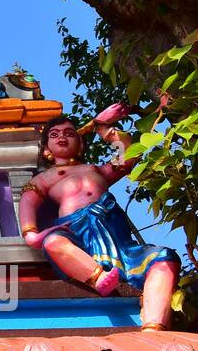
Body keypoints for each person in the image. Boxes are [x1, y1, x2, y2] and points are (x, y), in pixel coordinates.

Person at [18, 106, 180, 331]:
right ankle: (96, 277)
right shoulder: (45, 178)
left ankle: (154, 326)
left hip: (115, 233)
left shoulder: (97, 170)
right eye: (54, 135)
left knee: (164, 258)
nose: (62, 137)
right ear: (46, 149)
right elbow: (27, 200)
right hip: (76, 232)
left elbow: (128, 156)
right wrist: (31, 234)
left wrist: (102, 128)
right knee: (53, 242)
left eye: (69, 133)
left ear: (81, 143)